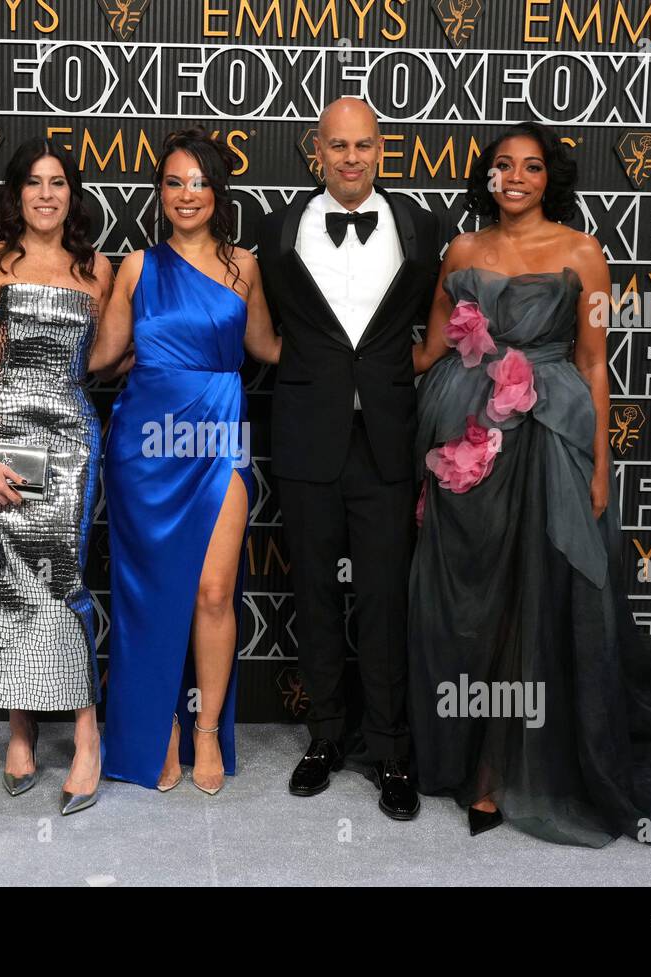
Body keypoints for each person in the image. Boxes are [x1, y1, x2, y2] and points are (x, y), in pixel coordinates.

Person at [409, 120, 651, 845]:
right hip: (465, 435)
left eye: (530, 167)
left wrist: (600, 461)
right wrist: (345, 356)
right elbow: (430, 347)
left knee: (535, 596)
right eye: (502, 165)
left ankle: (510, 770)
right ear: (487, 175)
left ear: (551, 178)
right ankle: (471, 750)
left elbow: (594, 362)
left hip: (548, 437)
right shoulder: (462, 250)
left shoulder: (584, 253)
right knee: (469, 597)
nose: (513, 177)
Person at [256, 97, 440, 820]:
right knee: (315, 596)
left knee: (387, 598)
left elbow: (433, 334)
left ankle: (392, 746)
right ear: (317, 150)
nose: (351, 158)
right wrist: (314, 376)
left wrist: (393, 376)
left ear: (382, 149)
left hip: (390, 441)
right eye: (338, 146)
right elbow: (262, 336)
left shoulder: (422, 228)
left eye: (363, 145)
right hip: (306, 438)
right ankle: (327, 736)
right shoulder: (277, 230)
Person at [93, 128, 280, 794]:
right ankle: (158, 730)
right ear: (160, 194)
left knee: (212, 590)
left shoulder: (246, 267)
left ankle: (204, 730)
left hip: (220, 435)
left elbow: (265, 346)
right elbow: (100, 358)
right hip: (146, 445)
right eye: (174, 182)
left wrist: (354, 353)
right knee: (148, 596)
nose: (187, 194)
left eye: (199, 181)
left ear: (218, 190)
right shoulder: (138, 266)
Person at [0, 139, 113, 817]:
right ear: (16, 193)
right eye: (34, 183)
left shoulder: (96, 268)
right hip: (0, 437)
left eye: (59, 183)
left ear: (71, 195)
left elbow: (104, 359)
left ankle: (85, 735)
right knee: (7, 583)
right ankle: (20, 731)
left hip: (71, 440)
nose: (47, 195)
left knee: (62, 579)